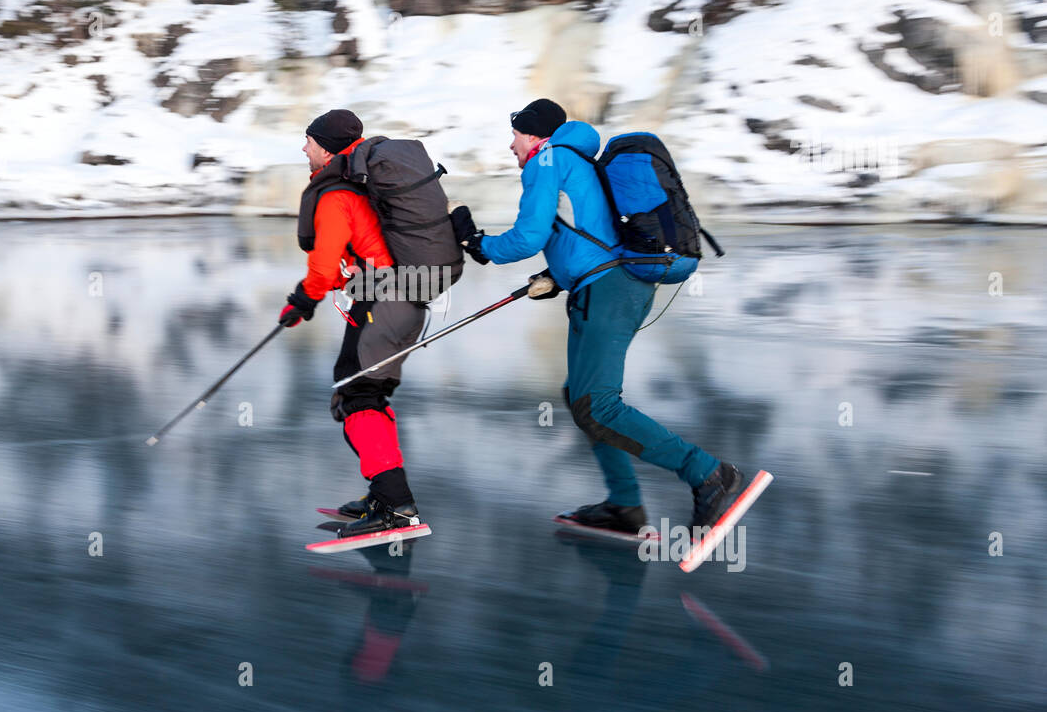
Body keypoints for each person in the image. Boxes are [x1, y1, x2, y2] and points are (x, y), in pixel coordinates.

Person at [453, 99, 745, 535]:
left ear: (535, 136)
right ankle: (624, 504)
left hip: (608, 291)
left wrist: (479, 245)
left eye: (515, 133)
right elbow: (590, 234)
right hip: (610, 286)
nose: (510, 143)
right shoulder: (576, 162)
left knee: (598, 404)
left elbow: (528, 236)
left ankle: (707, 474)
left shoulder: (547, 160)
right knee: (581, 396)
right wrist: (556, 276)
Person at [279, 109, 427, 537]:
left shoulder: (335, 195)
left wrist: (301, 301)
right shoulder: (363, 188)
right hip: (406, 301)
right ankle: (385, 496)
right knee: (367, 394)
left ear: (325, 148)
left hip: (381, 301)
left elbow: (324, 269)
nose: (303, 148)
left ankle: (397, 505)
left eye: (308, 141)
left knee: (356, 394)